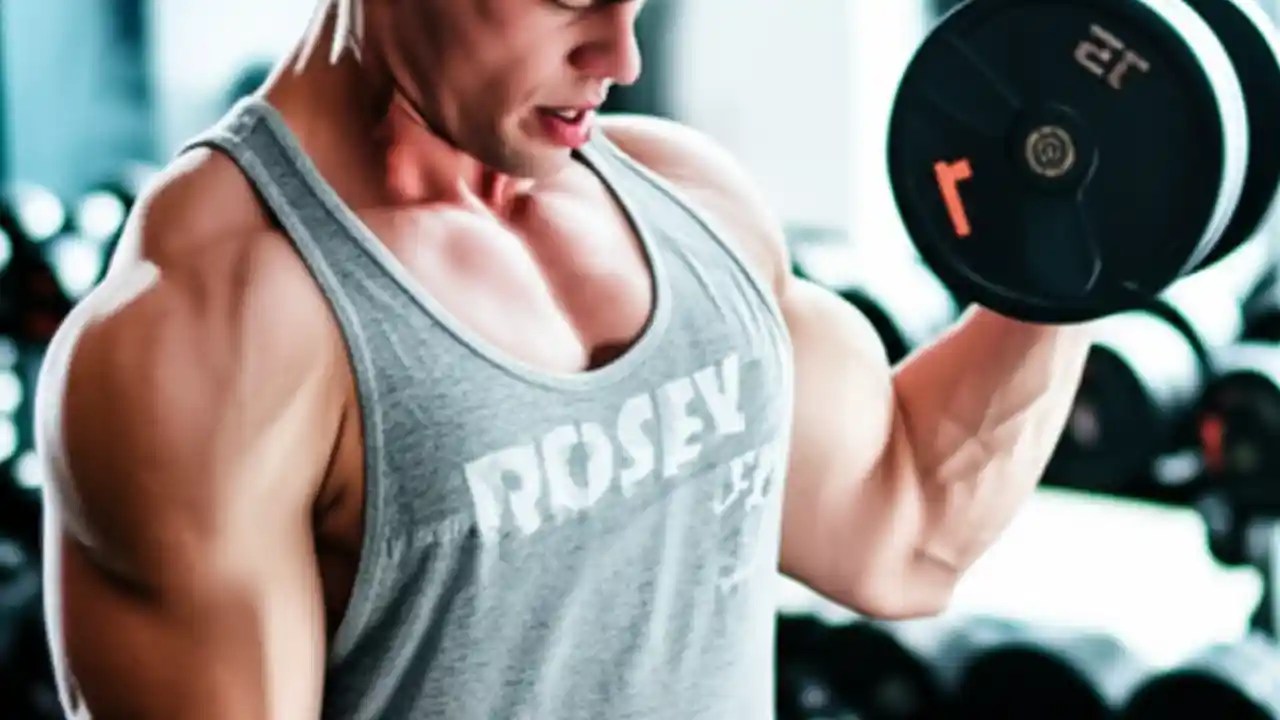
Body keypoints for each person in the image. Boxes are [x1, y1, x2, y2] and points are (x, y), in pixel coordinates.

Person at [34, 0, 1094, 718]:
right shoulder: (207, 336)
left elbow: (902, 529)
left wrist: (1080, 258)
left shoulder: (692, 200)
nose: (619, 57)